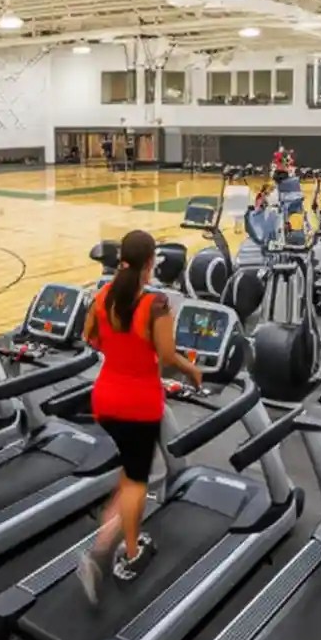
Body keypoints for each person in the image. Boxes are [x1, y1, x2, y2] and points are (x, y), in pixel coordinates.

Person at [76, 230, 204, 603]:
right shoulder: (156, 305)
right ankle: (125, 552)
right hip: (138, 403)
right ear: (151, 263)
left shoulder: (103, 295)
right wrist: (193, 371)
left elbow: (90, 337)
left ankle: (104, 541)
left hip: (105, 398)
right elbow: (167, 357)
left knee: (129, 472)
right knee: (136, 482)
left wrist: (120, 349)